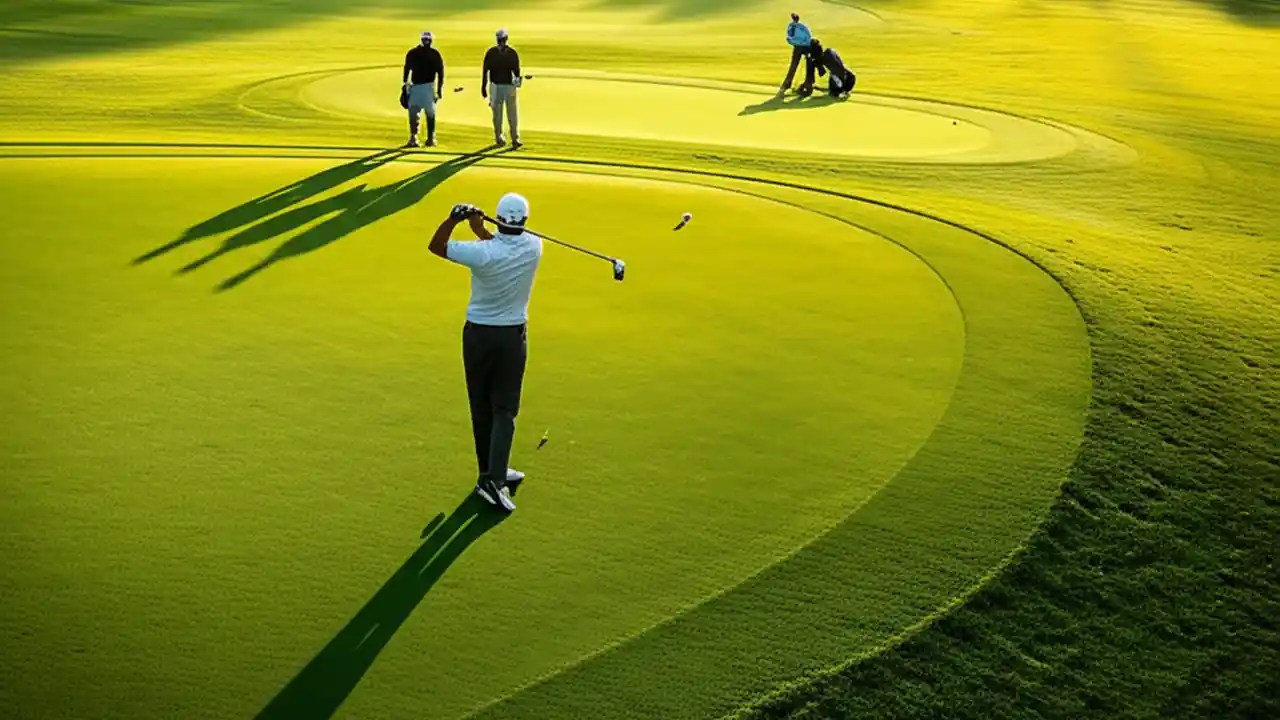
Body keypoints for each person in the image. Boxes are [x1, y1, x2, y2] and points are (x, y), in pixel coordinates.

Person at [428, 193, 543, 512]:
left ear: (498, 217)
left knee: (482, 405)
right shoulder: (535, 246)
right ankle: (492, 478)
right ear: (525, 220)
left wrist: (454, 220)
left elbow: (436, 246)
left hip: (477, 335)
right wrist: (481, 229)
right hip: (511, 337)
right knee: (504, 409)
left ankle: (491, 474)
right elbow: (504, 244)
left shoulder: (480, 253)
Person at [402, 31, 445, 147]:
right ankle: (428, 138)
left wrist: (405, 84)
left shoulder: (413, 53)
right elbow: (440, 73)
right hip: (426, 88)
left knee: (414, 113)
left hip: (418, 87)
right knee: (429, 113)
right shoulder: (435, 54)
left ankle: (414, 138)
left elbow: (406, 69)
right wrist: (439, 90)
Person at [482, 28, 522, 148]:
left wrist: (518, 82)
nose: (501, 43)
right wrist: (483, 86)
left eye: (503, 40)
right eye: (500, 40)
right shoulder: (491, 53)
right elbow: (485, 71)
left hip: (509, 86)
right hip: (495, 86)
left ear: (506, 39)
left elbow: (517, 71)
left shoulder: (512, 53)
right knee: (497, 114)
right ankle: (499, 137)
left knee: (512, 114)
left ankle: (515, 138)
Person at [778, 12, 815, 96]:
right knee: (807, 67)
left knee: (794, 66)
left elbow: (789, 37)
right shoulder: (802, 26)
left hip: (799, 47)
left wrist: (793, 42)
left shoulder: (791, 26)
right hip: (805, 47)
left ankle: (787, 85)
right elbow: (808, 36)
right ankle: (808, 86)